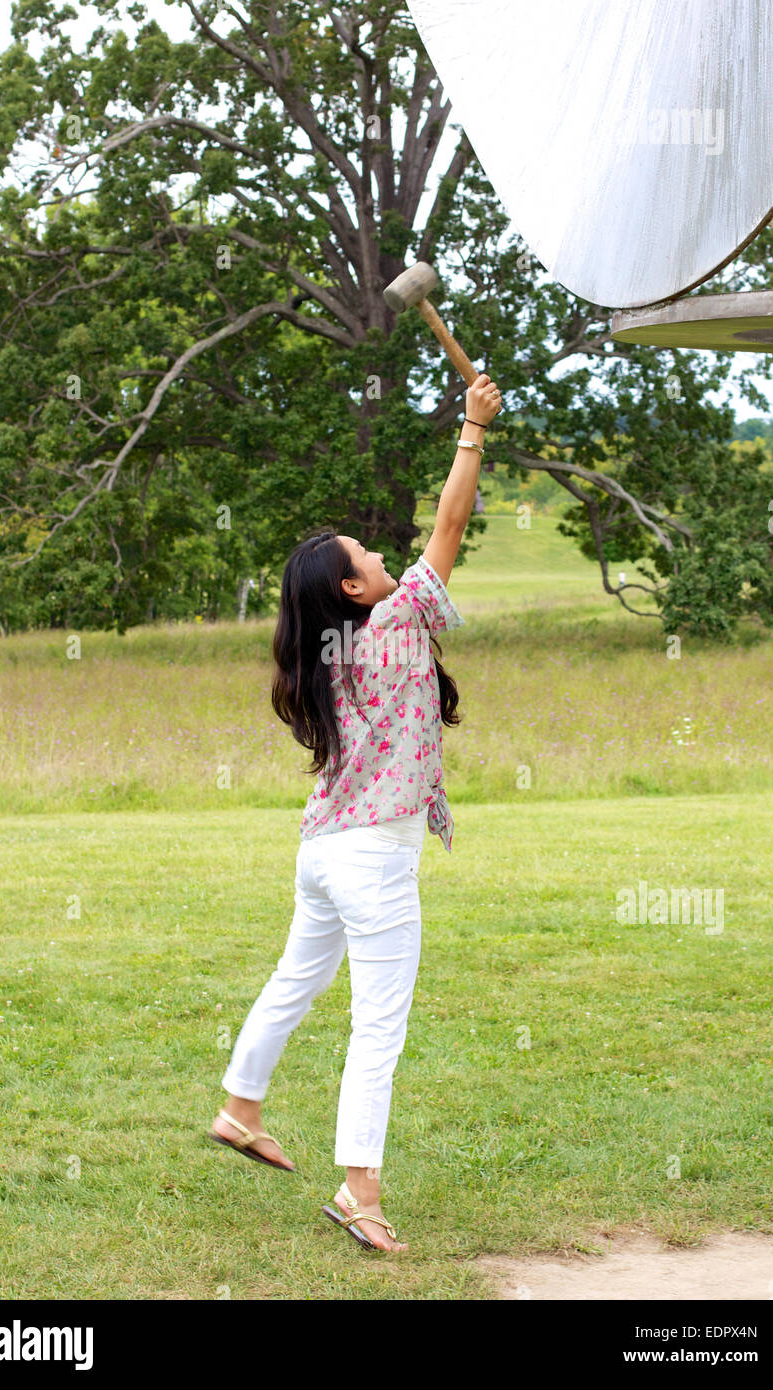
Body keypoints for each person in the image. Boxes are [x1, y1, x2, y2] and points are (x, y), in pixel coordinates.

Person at [210, 373, 503, 1252]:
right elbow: (450, 526)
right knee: (378, 1023)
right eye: (366, 556)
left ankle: (239, 1107)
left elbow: (432, 538)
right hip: (372, 858)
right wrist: (472, 427)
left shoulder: (323, 651)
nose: (384, 555)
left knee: (296, 982)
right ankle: (359, 1192)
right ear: (352, 589)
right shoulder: (399, 618)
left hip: (323, 846)